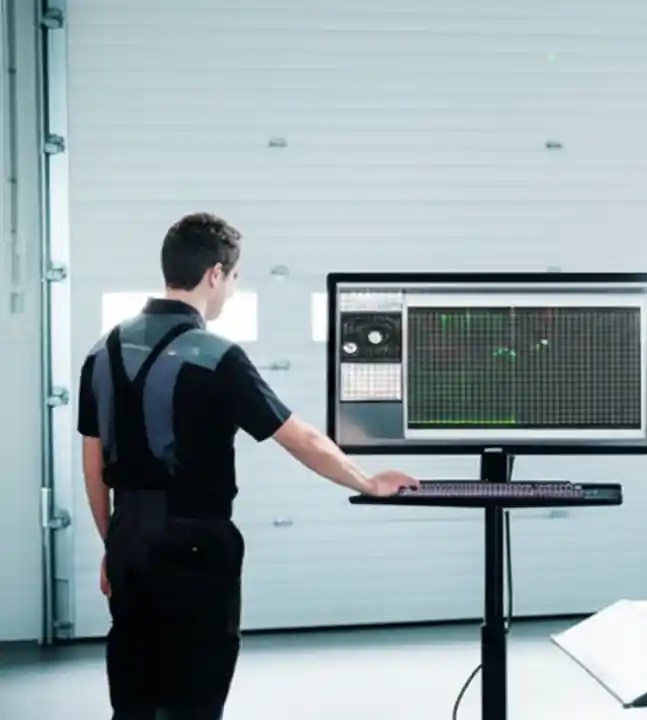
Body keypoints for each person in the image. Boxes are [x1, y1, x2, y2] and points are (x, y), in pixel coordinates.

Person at [77, 212, 419, 719]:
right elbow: (297, 436)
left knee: (134, 693)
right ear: (215, 273)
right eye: (234, 278)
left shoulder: (102, 351)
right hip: (196, 546)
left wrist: (113, 542)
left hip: (130, 540)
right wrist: (366, 481)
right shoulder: (215, 356)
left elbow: (93, 462)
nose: (232, 291)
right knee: (195, 694)